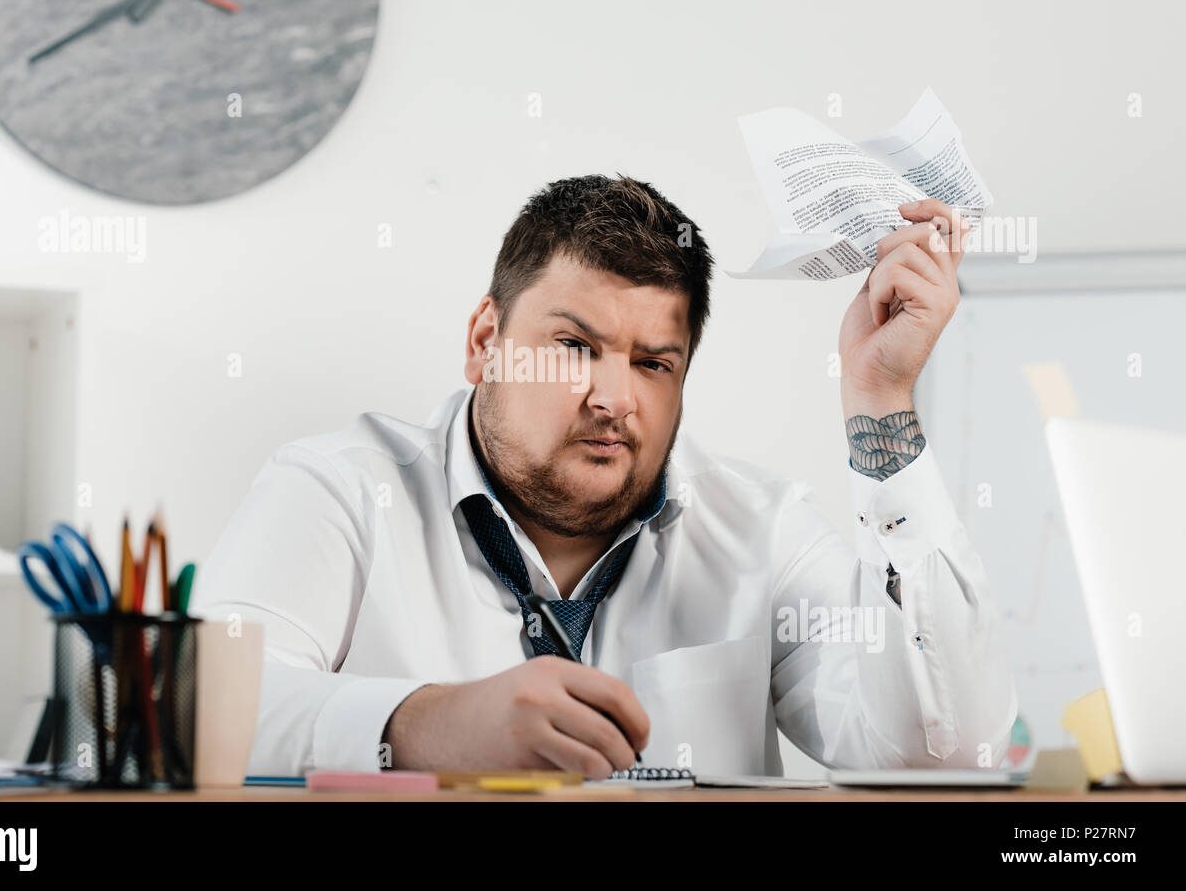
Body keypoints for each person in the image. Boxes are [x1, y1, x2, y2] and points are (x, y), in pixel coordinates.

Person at [194, 174, 1016, 778]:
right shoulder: (339, 491)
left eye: (653, 362)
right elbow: (198, 712)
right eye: (575, 347)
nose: (614, 398)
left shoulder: (761, 532)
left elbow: (944, 755)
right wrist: (429, 723)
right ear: (486, 339)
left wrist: (880, 401)